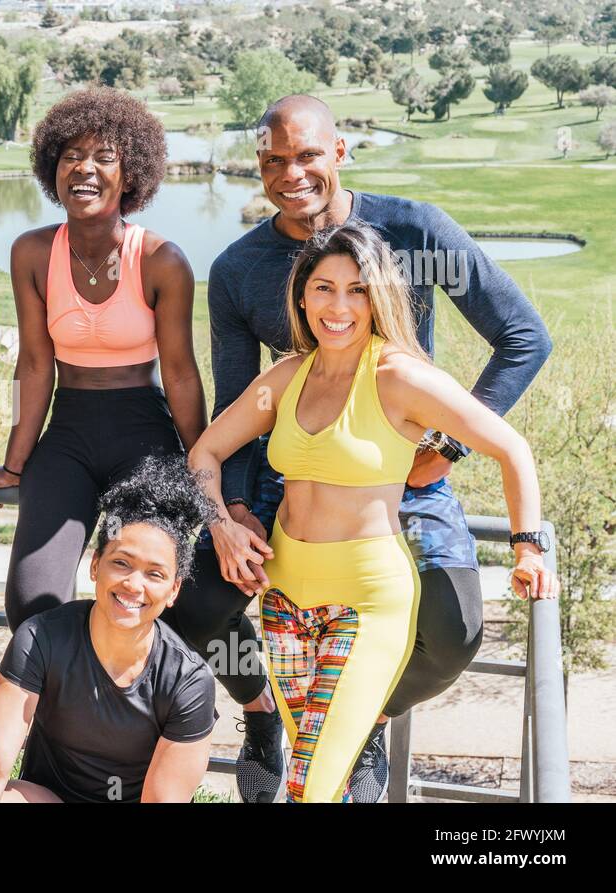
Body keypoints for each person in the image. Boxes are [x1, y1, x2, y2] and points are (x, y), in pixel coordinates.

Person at [176, 94, 554, 802]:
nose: (293, 172)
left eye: (309, 154)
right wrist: (230, 513)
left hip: (401, 465)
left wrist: (446, 449)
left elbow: (524, 338)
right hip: (284, 468)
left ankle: (364, 716)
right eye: (276, 159)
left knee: (454, 629)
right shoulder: (236, 269)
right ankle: (262, 718)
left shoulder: (416, 230)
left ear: (340, 153)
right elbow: (235, 410)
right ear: (258, 165)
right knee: (189, 606)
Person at [0, 87, 207, 632]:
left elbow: (179, 371)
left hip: (145, 438)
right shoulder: (32, 253)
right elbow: (35, 363)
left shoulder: (160, 260)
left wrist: (204, 464)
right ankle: (56, 711)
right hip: (68, 436)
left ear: (130, 175)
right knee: (33, 601)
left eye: (104, 157)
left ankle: (135, 710)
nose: (84, 169)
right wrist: (15, 463)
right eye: (71, 157)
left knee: (137, 592)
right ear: (51, 170)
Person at [0, 454, 217, 803]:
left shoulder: (188, 680)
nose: (134, 585)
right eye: (121, 563)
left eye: (155, 574)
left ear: (174, 590)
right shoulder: (39, 638)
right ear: (95, 566)